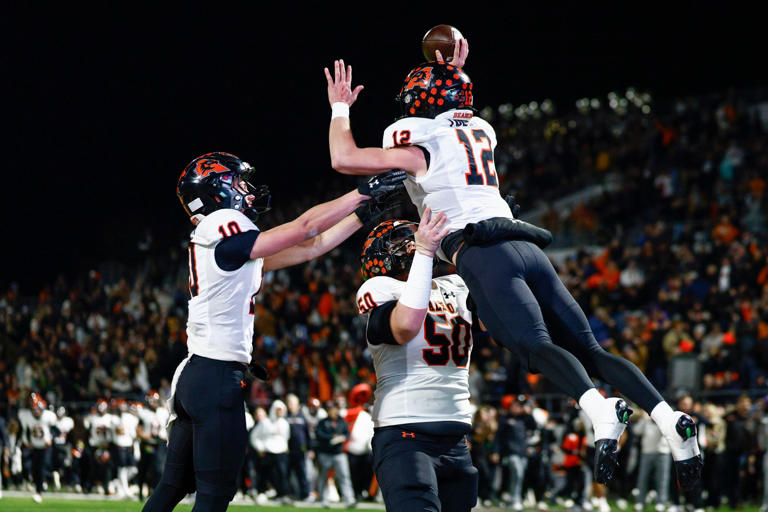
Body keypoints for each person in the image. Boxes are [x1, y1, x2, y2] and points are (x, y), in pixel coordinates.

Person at [323, 45, 702, 490]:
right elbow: (454, 120)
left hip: (484, 252)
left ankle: (600, 410)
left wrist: (339, 108)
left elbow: (343, 159)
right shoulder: (481, 129)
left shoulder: (416, 143)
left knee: (534, 347)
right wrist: (450, 72)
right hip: (526, 243)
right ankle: (669, 417)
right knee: (592, 350)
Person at [142, 151, 405, 512]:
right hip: (216, 376)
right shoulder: (224, 227)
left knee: (172, 486)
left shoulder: (226, 246)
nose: (245, 188)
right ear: (218, 191)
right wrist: (360, 193)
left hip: (196, 376)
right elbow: (305, 228)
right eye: (237, 181)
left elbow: (310, 247)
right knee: (214, 495)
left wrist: (359, 217)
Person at [354, 210, 481, 512]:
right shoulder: (381, 287)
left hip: (456, 435)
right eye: (396, 242)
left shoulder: (456, 283)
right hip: (405, 431)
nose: (408, 245)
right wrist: (424, 253)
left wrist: (491, 251)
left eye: (410, 238)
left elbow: (497, 322)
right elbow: (404, 327)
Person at [315, 401, 356, 507]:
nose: (332, 411)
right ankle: (323, 498)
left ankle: (349, 498)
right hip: (325, 453)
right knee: (323, 476)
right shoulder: (323, 422)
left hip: (339, 453)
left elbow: (347, 434)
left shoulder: (342, 422)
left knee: (344, 476)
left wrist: (342, 438)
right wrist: (332, 437)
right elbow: (319, 434)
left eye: (333, 409)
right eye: (330, 409)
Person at [18, 393, 56, 503]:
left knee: (43, 467)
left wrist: (51, 438)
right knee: (34, 468)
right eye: (34, 409)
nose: (36, 412)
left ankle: (41, 488)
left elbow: (55, 430)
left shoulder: (49, 416)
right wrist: (27, 441)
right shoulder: (27, 416)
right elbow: (26, 431)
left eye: (38, 409)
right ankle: (37, 486)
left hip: (44, 446)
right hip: (34, 446)